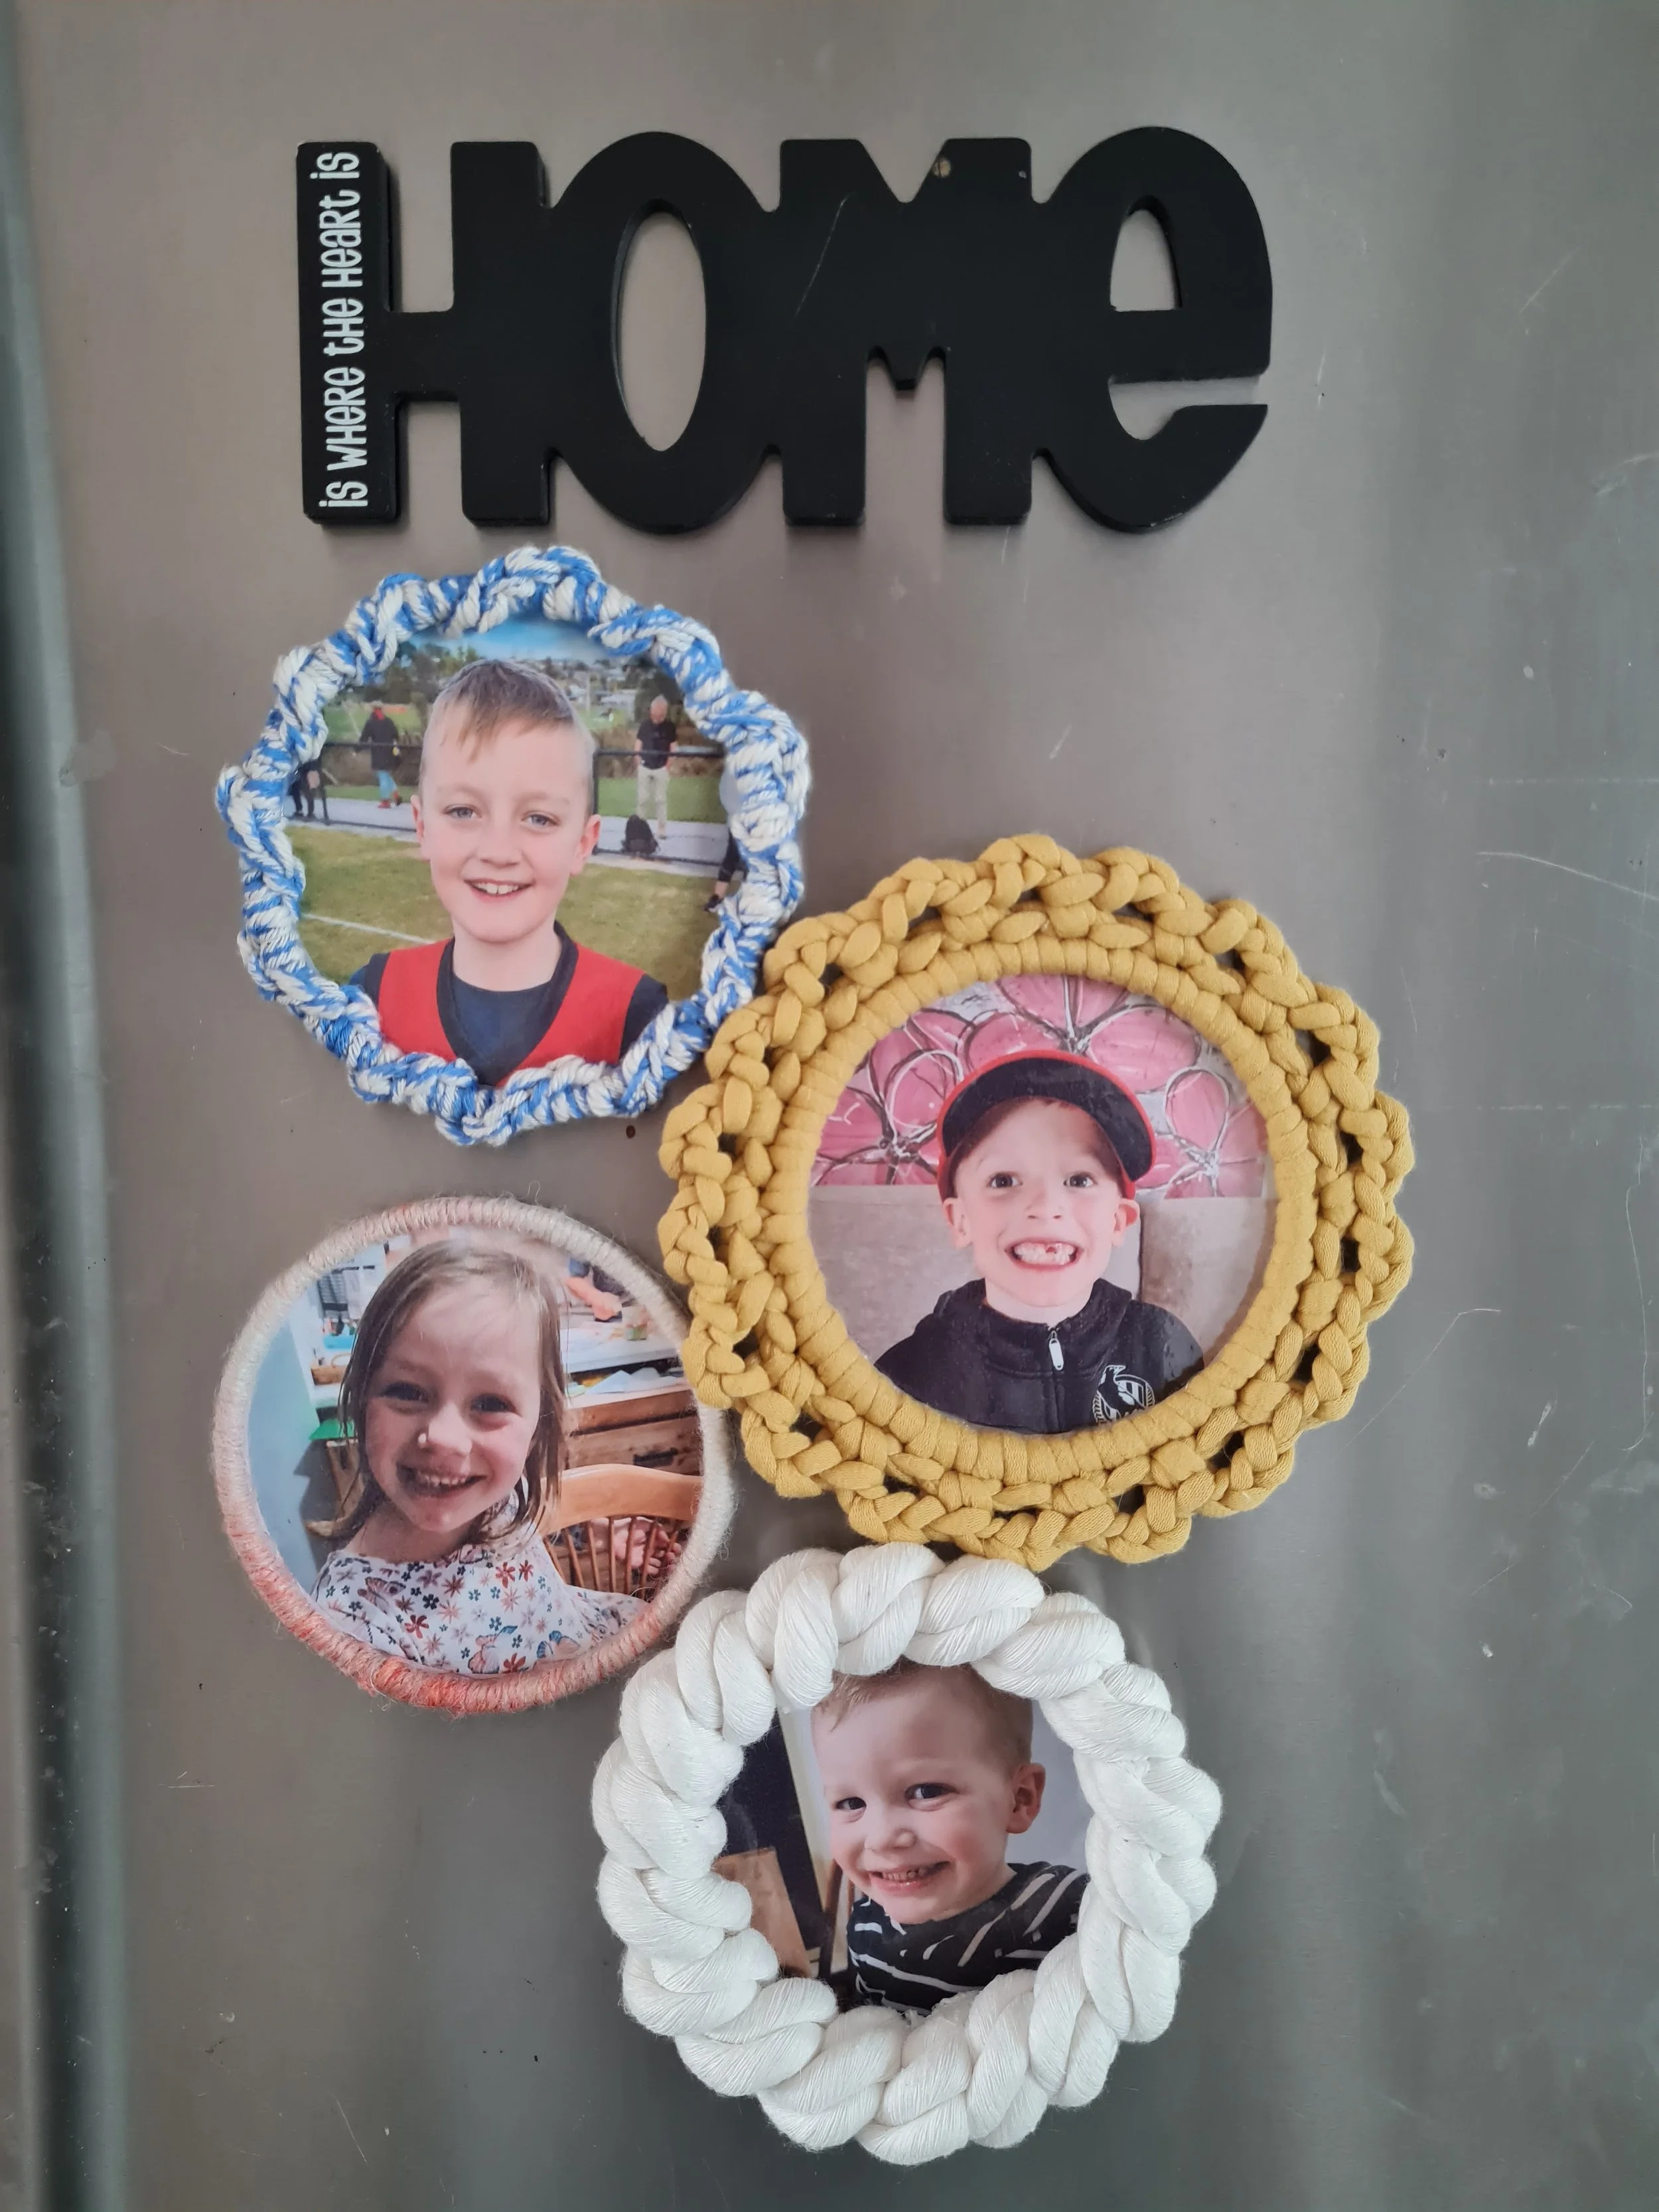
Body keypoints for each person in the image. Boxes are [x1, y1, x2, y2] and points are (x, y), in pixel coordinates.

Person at [311, 1240, 641, 1673]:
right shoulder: (352, 1622)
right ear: (361, 1402)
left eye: (489, 1402)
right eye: (407, 1392)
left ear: (538, 1426)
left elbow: (521, 1527)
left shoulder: (494, 1492)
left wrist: (600, 1536)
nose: (445, 1438)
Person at [349, 659, 669, 1082]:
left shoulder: (636, 1016)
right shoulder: (372, 997)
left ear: (583, 844)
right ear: (422, 826)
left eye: (539, 818)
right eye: (463, 811)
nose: (498, 852)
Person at [875, 1051, 1202, 1432]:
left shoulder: (1163, 1347)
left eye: (1079, 1180)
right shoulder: (908, 1374)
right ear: (960, 1220)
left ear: (1119, 1221)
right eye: (1003, 1181)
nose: (1046, 1208)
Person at [810, 1659, 1086, 2014]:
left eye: (926, 1792)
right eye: (850, 1802)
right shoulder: (865, 1923)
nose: (880, 1839)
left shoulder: (1066, 1910)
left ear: (1019, 1800)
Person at [634, 692, 676, 846]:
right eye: (656, 711)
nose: (658, 715)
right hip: (645, 766)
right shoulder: (645, 725)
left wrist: (668, 765)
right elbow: (638, 743)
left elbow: (673, 747)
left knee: (661, 799)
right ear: (652, 711)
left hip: (661, 767)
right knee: (642, 799)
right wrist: (637, 758)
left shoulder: (669, 727)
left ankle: (662, 829)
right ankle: (640, 828)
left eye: (661, 712)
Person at [362, 702, 402, 806]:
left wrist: (357, 749)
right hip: (389, 751)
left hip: (378, 751)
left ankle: (385, 801)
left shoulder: (371, 722)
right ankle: (396, 795)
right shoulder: (389, 721)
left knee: (383, 776)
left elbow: (364, 737)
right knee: (386, 775)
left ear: (373, 709)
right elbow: (396, 736)